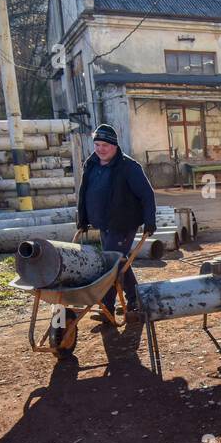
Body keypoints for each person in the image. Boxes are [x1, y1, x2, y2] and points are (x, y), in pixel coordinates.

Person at [75, 124, 156, 319]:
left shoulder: (128, 167)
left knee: (109, 264)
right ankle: (136, 299)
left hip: (123, 224)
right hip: (104, 224)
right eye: (97, 144)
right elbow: (84, 192)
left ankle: (107, 307)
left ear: (115, 146)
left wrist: (149, 221)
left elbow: (147, 194)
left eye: (105, 145)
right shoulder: (91, 163)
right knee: (119, 263)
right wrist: (83, 218)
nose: (100, 149)